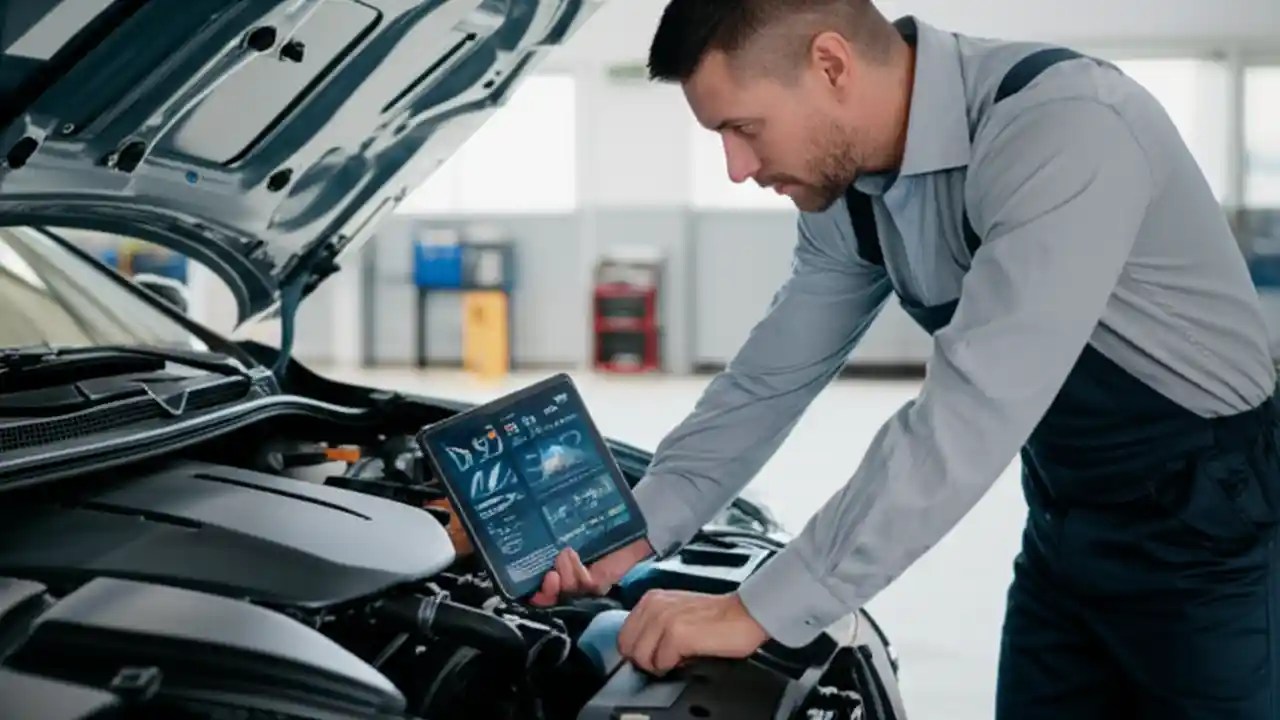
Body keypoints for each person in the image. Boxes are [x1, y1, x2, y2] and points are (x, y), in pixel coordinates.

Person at [532, 1, 1280, 716]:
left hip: (1213, 528)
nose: (735, 166)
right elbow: (766, 384)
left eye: (744, 127)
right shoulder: (848, 194)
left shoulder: (1064, 129)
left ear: (830, 64)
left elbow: (968, 414)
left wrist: (755, 609)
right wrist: (633, 530)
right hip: (1064, 519)